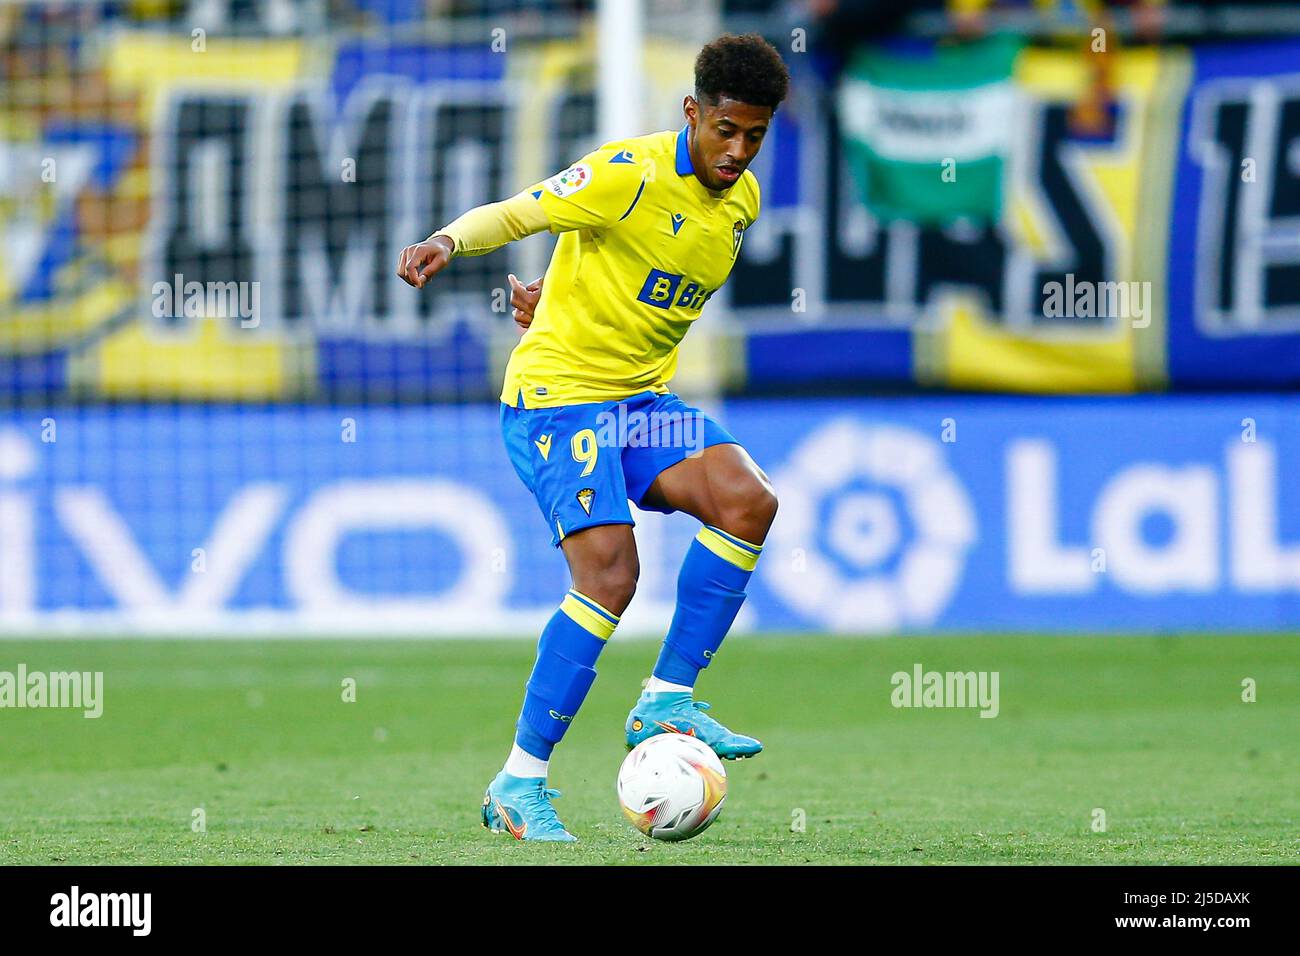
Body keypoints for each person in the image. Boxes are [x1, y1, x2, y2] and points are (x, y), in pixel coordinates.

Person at [397, 33, 789, 842]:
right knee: (612, 574)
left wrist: (559, 289)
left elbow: (637, 276)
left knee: (747, 501)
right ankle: (519, 782)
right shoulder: (626, 173)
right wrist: (446, 241)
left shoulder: (742, 201)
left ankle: (667, 700)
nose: (737, 151)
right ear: (693, 112)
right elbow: (522, 211)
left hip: (638, 401)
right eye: (725, 129)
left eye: (754, 135)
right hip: (558, 400)